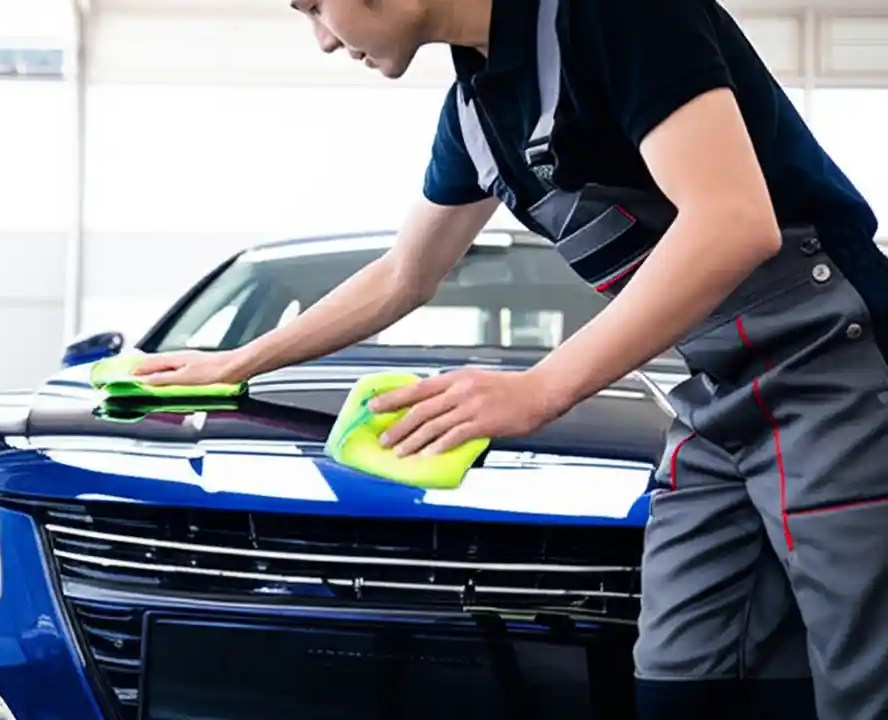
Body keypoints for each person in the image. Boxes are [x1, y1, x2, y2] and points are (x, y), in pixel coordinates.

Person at [131, 0, 888, 717]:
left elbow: (731, 223)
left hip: (839, 363)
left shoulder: (617, 14)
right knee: (680, 681)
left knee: (866, 679)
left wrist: (539, 390)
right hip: (722, 391)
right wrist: (239, 361)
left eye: (313, 6)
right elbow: (406, 274)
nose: (325, 39)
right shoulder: (477, 111)